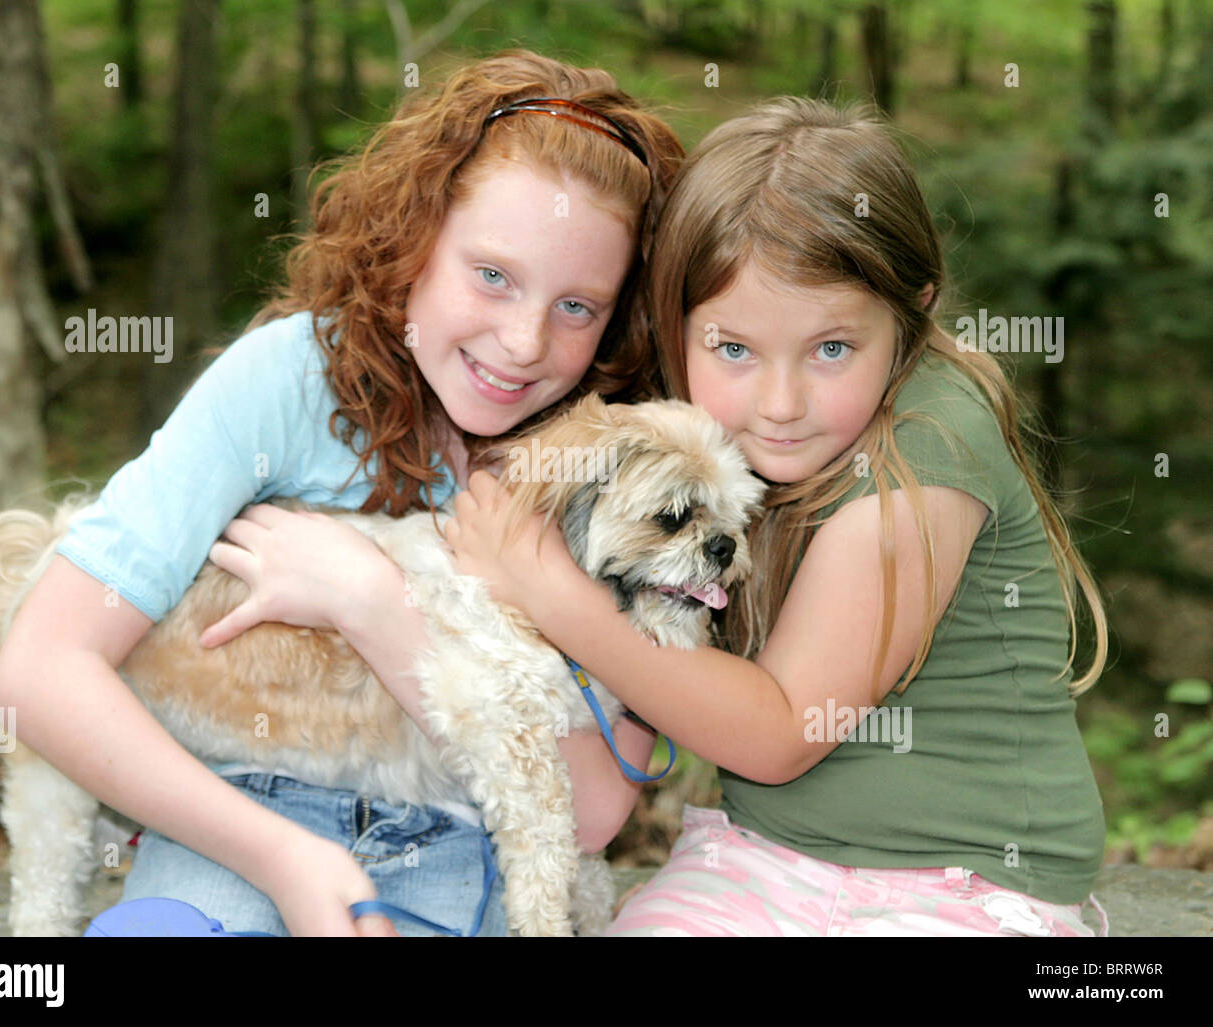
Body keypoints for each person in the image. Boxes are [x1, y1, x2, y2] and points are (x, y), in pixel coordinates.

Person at [0, 50, 683, 937]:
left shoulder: (613, 472)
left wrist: (372, 603)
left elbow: (589, 811)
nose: (521, 341)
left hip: (465, 849)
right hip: (231, 830)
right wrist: (284, 856)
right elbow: (38, 669)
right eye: (493, 275)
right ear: (416, 239)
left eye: (578, 307)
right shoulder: (284, 384)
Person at [442, 97, 1111, 937]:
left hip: (963, 887)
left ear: (911, 316)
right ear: (673, 321)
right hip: (760, 863)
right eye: (733, 349)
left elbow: (782, 730)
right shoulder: (694, 446)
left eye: (832, 348)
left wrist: (547, 589)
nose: (782, 404)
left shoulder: (930, 450)